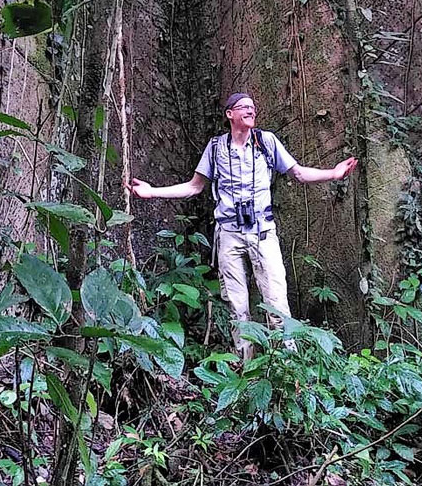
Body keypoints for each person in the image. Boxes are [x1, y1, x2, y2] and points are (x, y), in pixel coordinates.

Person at [126, 93, 358, 360]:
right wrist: (153, 192)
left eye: (253, 107)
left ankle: (288, 367)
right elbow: (194, 187)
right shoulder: (215, 148)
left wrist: (333, 173)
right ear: (230, 114)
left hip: (262, 232)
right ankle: (247, 369)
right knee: (238, 308)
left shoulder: (266, 141)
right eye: (244, 107)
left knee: (277, 304)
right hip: (229, 235)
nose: (251, 110)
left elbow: (299, 173)